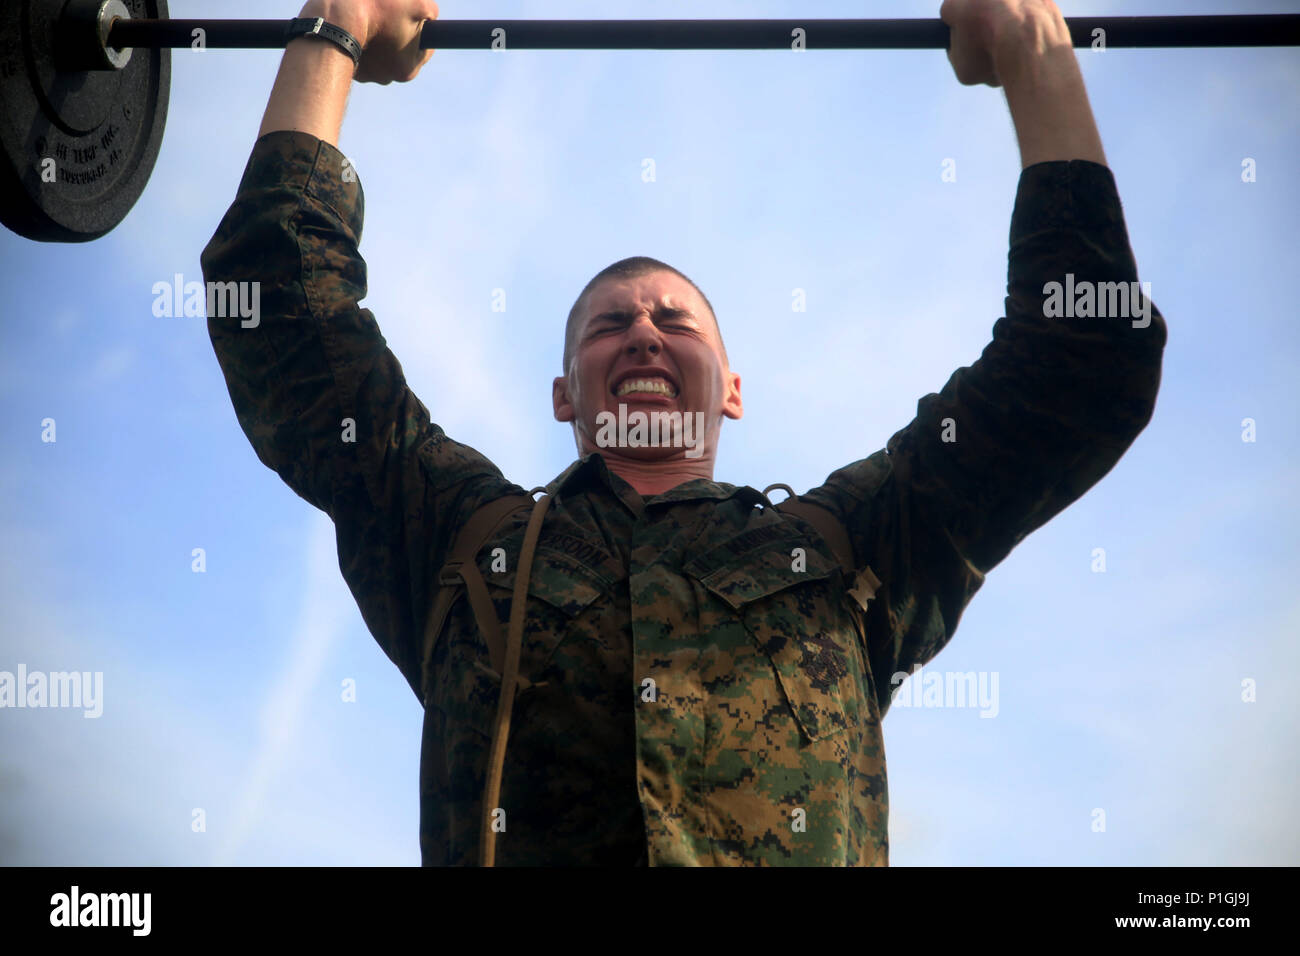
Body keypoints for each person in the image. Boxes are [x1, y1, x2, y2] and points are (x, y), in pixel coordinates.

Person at [201, 0, 1167, 865]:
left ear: (732, 390)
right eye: (609, 326)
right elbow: (279, 308)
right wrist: (333, 26)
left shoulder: (857, 548)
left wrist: (1038, 53)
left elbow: (1079, 364)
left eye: (676, 321)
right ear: (564, 396)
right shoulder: (456, 536)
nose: (645, 335)